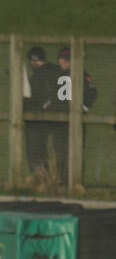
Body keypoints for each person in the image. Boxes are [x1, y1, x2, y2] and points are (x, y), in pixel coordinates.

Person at [53, 47, 97, 182]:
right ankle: (70, 182)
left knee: (67, 153)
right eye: (62, 59)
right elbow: (93, 93)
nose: (63, 62)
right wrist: (82, 110)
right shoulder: (81, 74)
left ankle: (70, 182)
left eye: (66, 59)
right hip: (67, 122)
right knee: (68, 153)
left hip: (64, 122)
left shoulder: (62, 76)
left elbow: (92, 94)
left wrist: (80, 110)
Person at [24, 45, 62, 177]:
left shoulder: (38, 76)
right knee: (57, 152)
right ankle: (57, 180)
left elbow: (32, 99)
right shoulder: (57, 71)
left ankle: (42, 180)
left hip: (38, 119)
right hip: (59, 118)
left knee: (35, 151)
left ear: (33, 61)